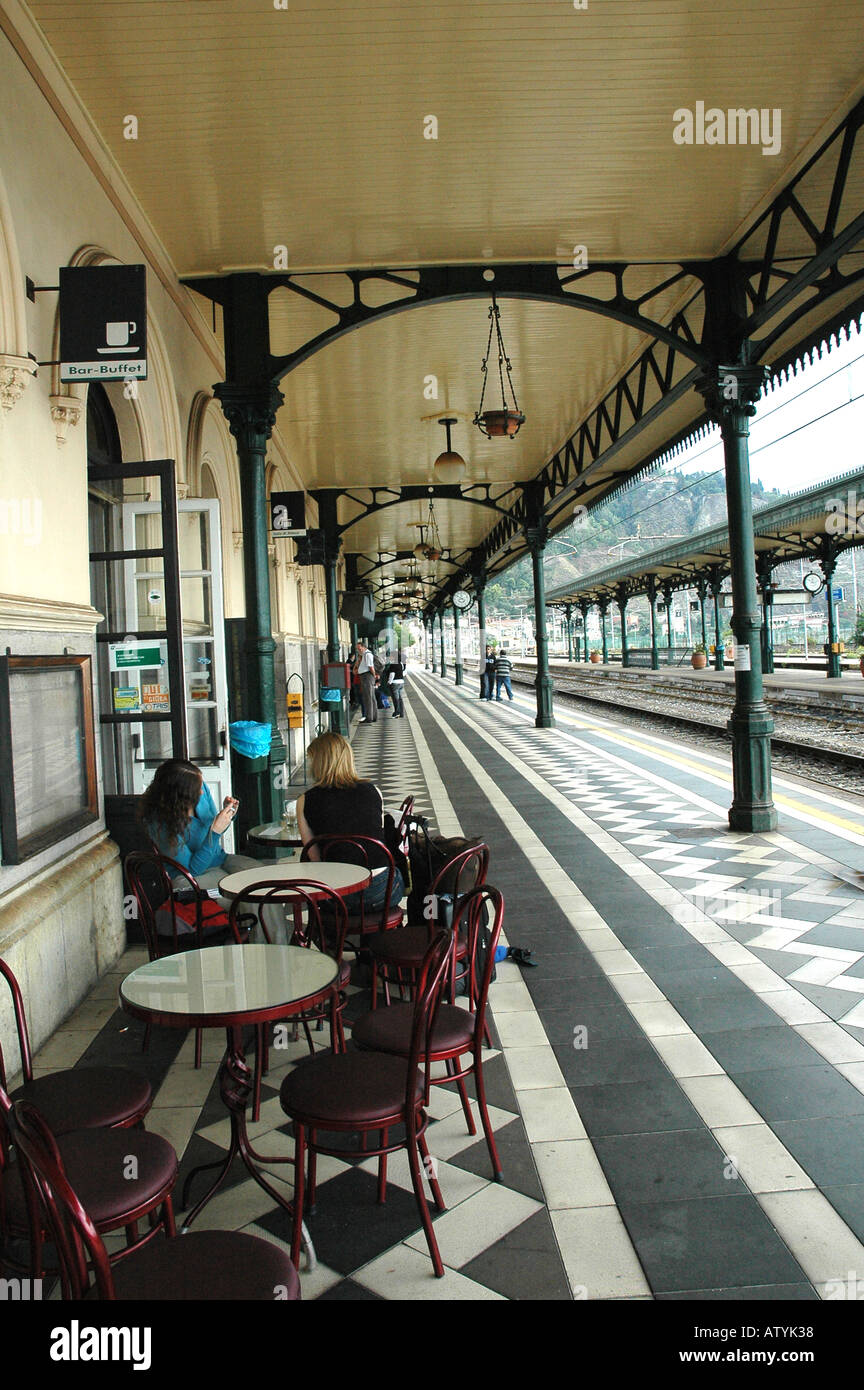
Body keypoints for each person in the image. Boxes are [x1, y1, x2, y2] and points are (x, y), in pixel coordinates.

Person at [296, 732, 404, 913]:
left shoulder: (305, 800)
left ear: (318, 763)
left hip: (339, 896)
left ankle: (332, 938)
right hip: (383, 891)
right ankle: (376, 937)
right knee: (395, 874)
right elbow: (377, 838)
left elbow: (315, 858)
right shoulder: (374, 791)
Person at [140, 759, 265, 890]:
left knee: (264, 881)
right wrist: (215, 832)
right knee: (242, 892)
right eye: (197, 789)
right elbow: (191, 870)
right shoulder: (159, 823)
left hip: (219, 859)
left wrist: (227, 815)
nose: (202, 792)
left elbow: (215, 828)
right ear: (181, 796)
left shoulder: (200, 789)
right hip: (190, 878)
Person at [354, 640, 378, 723]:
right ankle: (373, 716)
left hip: (367, 676)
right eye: (357, 649)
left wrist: (374, 676)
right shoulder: (364, 655)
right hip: (366, 676)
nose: (358, 651)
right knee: (371, 697)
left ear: (364, 647)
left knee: (368, 698)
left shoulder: (367, 655)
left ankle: (369, 717)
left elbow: (371, 667)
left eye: (360, 649)